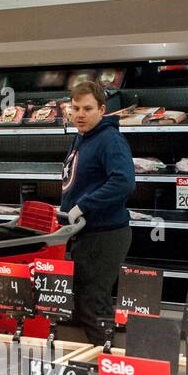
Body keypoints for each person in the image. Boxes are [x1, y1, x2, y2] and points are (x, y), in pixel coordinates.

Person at [60, 80, 135, 345]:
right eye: (76, 108)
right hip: (85, 233)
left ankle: (106, 367)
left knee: (94, 303)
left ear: (102, 110)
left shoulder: (110, 140)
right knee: (87, 301)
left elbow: (123, 182)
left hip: (105, 234)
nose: (80, 114)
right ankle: (99, 361)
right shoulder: (81, 138)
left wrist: (84, 205)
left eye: (87, 108)